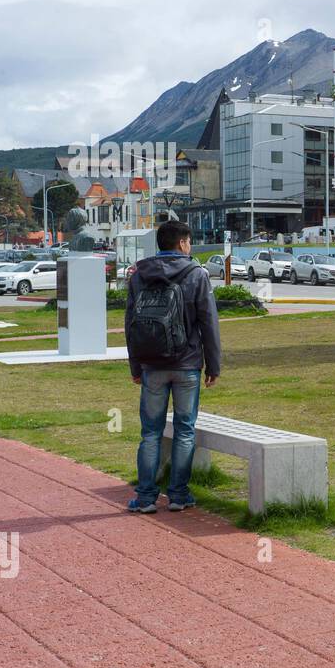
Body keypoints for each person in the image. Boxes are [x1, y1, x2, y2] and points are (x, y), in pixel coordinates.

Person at [125, 220, 222, 514]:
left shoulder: (140, 274)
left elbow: (130, 324)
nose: (190, 246)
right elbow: (209, 322)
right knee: (185, 430)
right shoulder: (197, 274)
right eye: (189, 241)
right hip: (187, 364)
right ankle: (178, 495)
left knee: (150, 433)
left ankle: (145, 498)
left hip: (152, 365)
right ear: (182, 243)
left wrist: (135, 366)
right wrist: (213, 365)